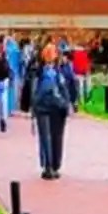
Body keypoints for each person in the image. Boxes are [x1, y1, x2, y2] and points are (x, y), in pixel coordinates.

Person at [21, 43, 79, 180]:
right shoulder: (39, 70)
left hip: (55, 108)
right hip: (46, 107)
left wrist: (68, 103)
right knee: (49, 137)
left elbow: (71, 84)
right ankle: (49, 166)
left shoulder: (60, 69)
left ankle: (52, 165)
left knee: (52, 137)